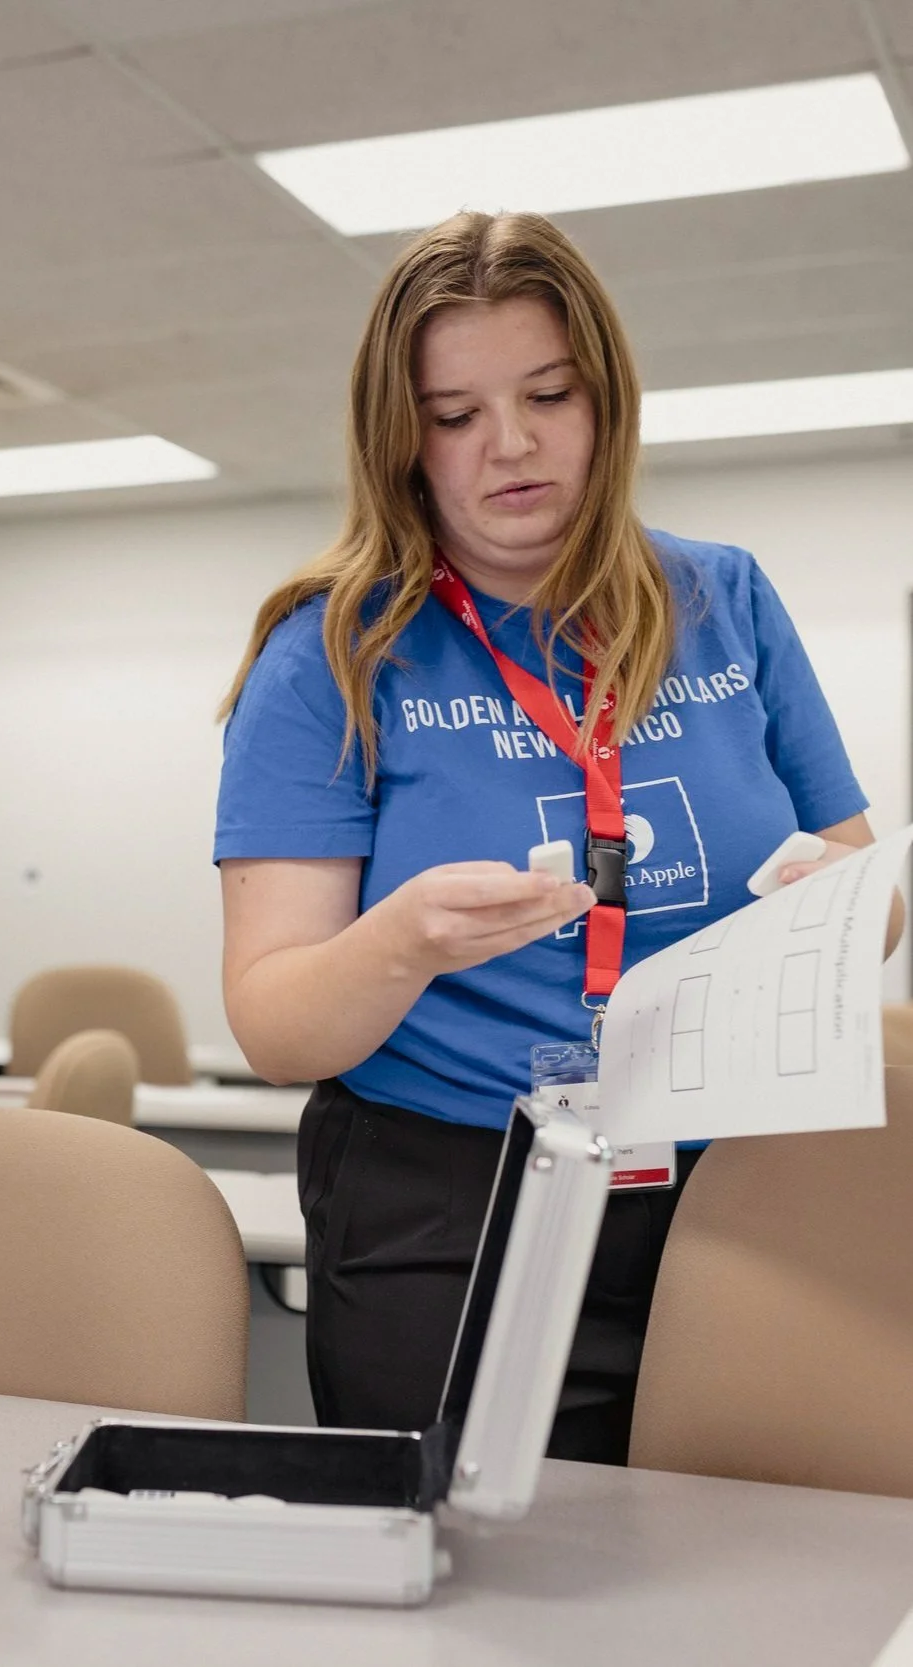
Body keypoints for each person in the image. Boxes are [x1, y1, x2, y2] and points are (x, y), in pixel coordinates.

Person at [215, 210, 903, 1463]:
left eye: (547, 393)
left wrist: (842, 899)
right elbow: (271, 1023)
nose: (512, 444)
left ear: (606, 398)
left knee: (729, 1566)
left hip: (723, 1186)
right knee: (473, 1601)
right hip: (448, 1199)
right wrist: (401, 943)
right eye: (454, 412)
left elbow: (859, 871)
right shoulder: (331, 650)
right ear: (399, 438)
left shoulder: (724, 599)